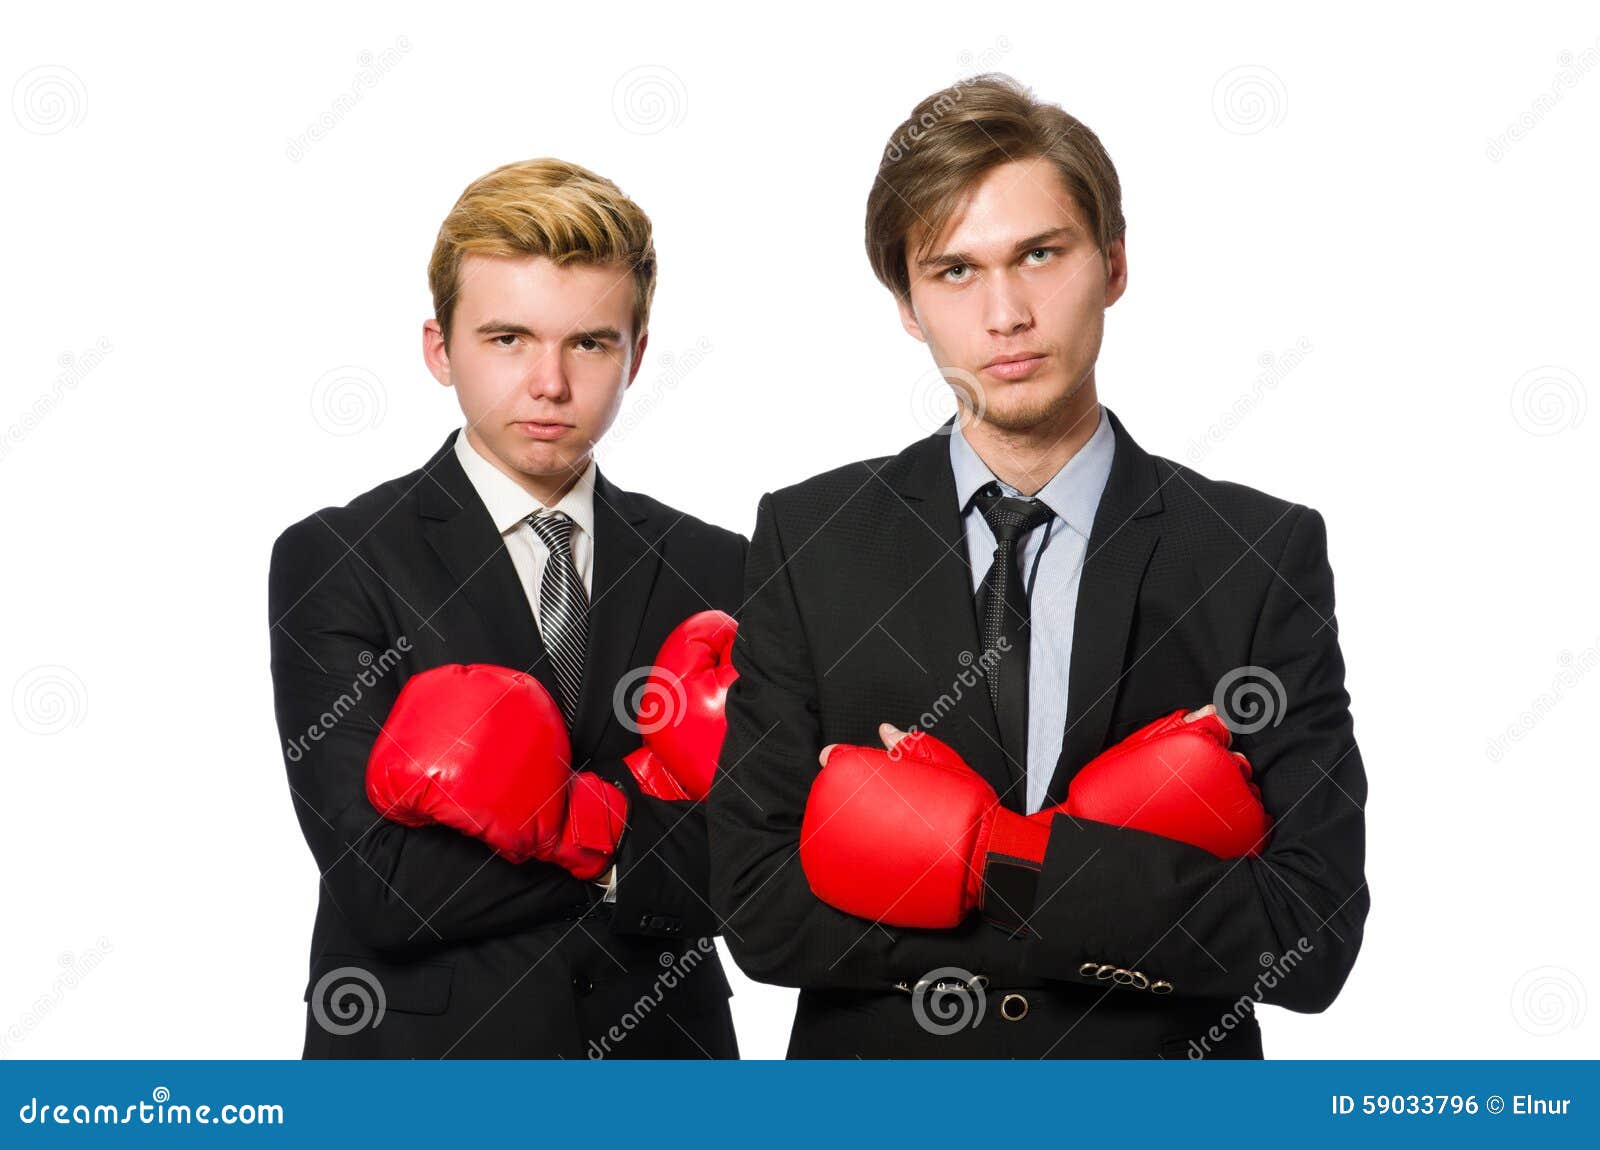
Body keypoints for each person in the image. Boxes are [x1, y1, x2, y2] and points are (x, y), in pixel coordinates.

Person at [709, 74, 1369, 1059]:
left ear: (1111, 264)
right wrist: (1100, 888)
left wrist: (992, 862)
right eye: (954, 272)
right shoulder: (813, 539)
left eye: (1038, 255)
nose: (1005, 313)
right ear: (905, 304)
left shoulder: (1253, 556)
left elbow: (1312, 934)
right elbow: (759, 908)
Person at [269, 158, 743, 1058]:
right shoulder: (338, 558)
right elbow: (384, 885)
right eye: (507, 339)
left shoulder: (721, 566)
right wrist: (629, 844)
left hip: (668, 1065)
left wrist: (567, 828)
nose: (551, 383)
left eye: (590, 343)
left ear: (637, 354)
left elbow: (757, 866)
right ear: (439, 348)